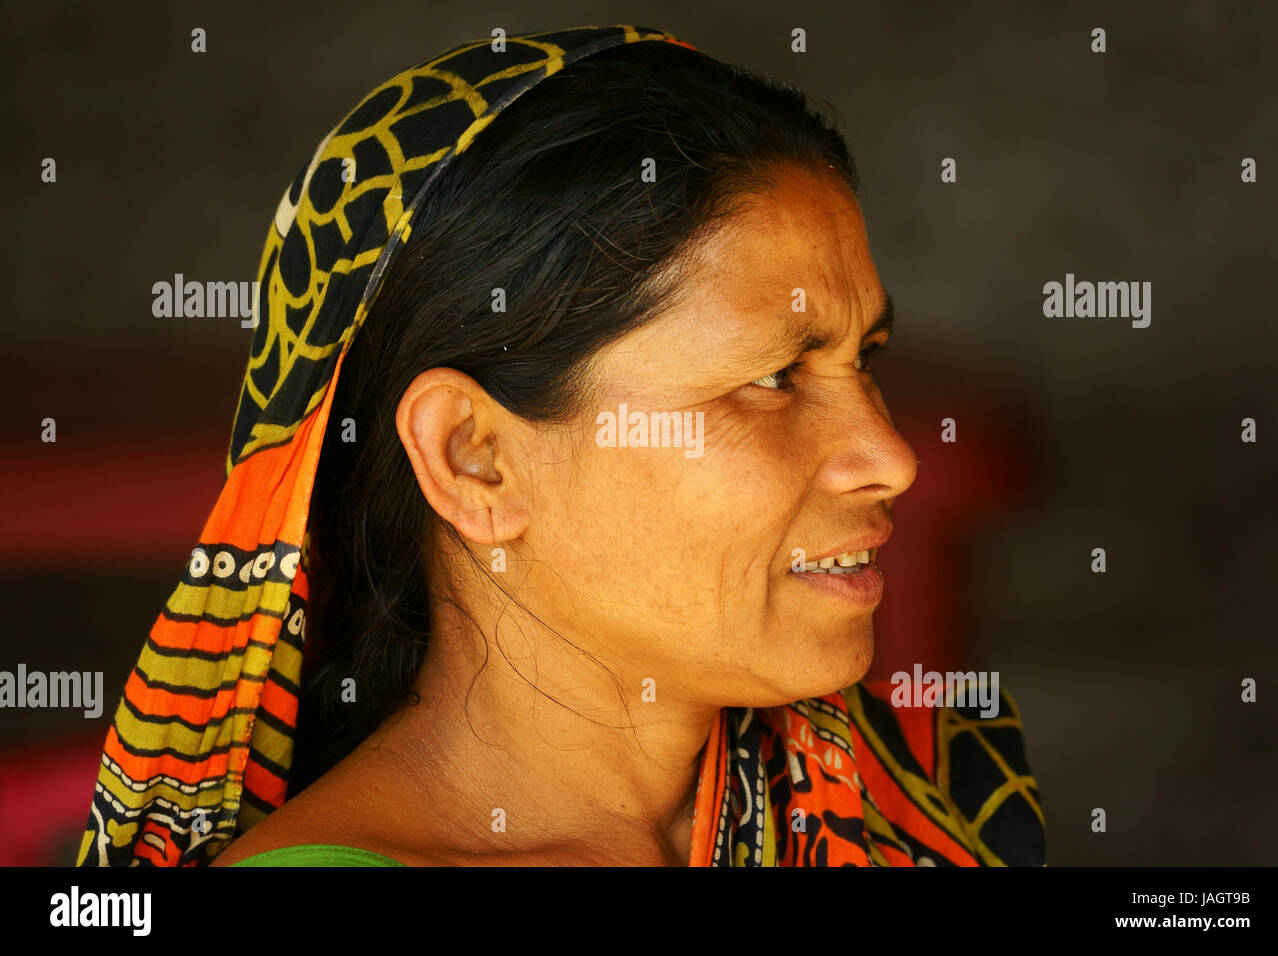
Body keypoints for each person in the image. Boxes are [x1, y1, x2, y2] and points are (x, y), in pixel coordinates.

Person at [76, 24, 1045, 867]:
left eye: (864, 357)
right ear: (474, 459)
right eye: (773, 377)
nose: (889, 455)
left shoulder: (920, 788)